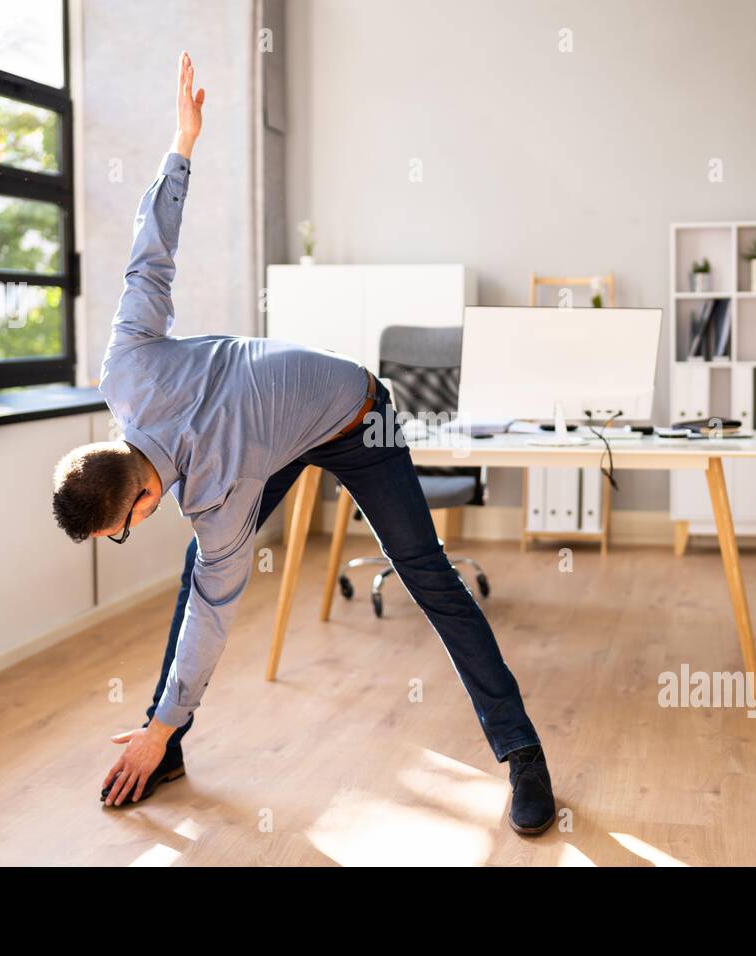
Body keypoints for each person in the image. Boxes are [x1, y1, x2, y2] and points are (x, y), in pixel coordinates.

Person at [50, 52, 555, 835]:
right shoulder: (124, 366)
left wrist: (182, 147)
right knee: (200, 571)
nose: (128, 532)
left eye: (122, 527)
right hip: (273, 437)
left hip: (360, 415)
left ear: (141, 494)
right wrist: (181, 144)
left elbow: (213, 620)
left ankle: (522, 753)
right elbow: (148, 257)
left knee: (427, 575)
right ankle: (172, 743)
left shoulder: (216, 498)